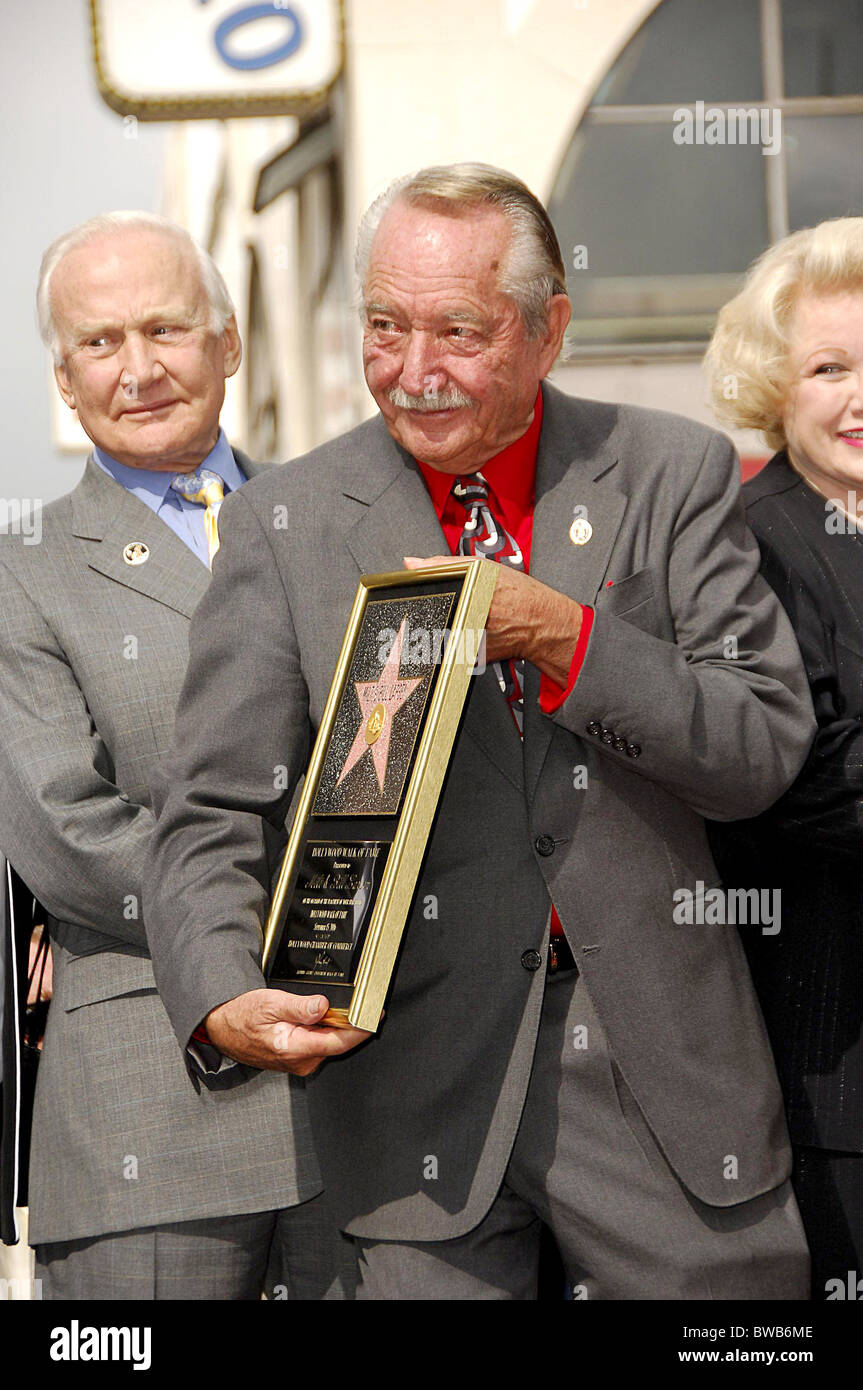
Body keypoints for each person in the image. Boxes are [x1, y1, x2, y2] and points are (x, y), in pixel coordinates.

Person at [145, 164, 816, 1300]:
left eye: (458, 330)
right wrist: (221, 988)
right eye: (383, 326)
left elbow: (755, 746)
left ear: (548, 329)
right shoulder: (281, 521)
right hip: (406, 1098)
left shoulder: (670, 472)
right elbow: (211, 810)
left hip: (661, 1084)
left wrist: (569, 640)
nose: (414, 371)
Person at [0, 212, 360, 1300]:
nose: (140, 368)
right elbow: (69, 831)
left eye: (166, 328)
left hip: (373, 1108)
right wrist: (318, 910)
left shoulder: (347, 518)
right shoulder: (24, 569)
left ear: (230, 340)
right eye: (101, 343)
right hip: (151, 1122)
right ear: (64, 379)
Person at [706, 216, 863, 1300]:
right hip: (837, 1058)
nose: (858, 394)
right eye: (827, 367)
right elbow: (796, 768)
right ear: (774, 384)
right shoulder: (748, 537)